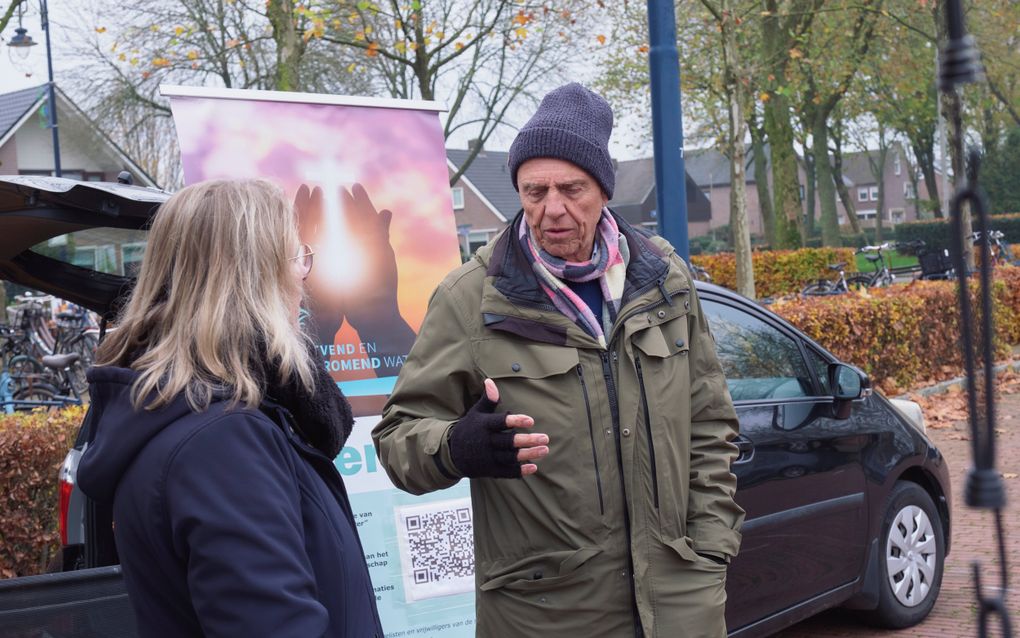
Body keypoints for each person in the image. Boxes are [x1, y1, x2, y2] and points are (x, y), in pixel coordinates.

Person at [373, 83, 744, 637]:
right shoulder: (472, 297)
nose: (552, 210)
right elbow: (397, 440)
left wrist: (711, 549)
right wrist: (456, 447)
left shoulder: (664, 279)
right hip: (544, 615)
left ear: (604, 190)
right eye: (534, 191)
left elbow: (709, 423)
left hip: (678, 603)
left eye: (572, 189)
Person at [76, 179, 384, 637]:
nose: (304, 274)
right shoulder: (221, 444)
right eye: (296, 254)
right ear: (256, 277)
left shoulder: (184, 417)